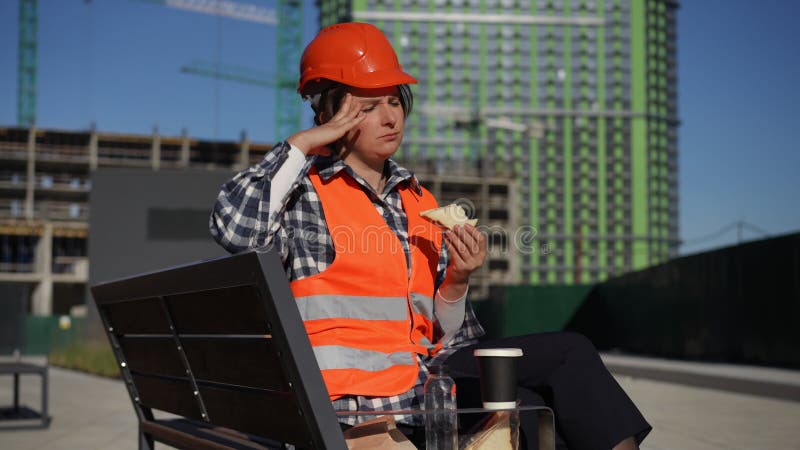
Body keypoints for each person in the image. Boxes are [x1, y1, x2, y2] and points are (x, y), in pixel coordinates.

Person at [210, 22, 651, 450]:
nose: (389, 118)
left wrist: (457, 280)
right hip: (357, 405)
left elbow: (451, 339)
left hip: (424, 382)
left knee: (558, 375)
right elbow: (235, 229)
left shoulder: (420, 201)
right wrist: (304, 143)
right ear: (330, 115)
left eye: (394, 102)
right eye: (367, 107)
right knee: (538, 401)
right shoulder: (304, 194)